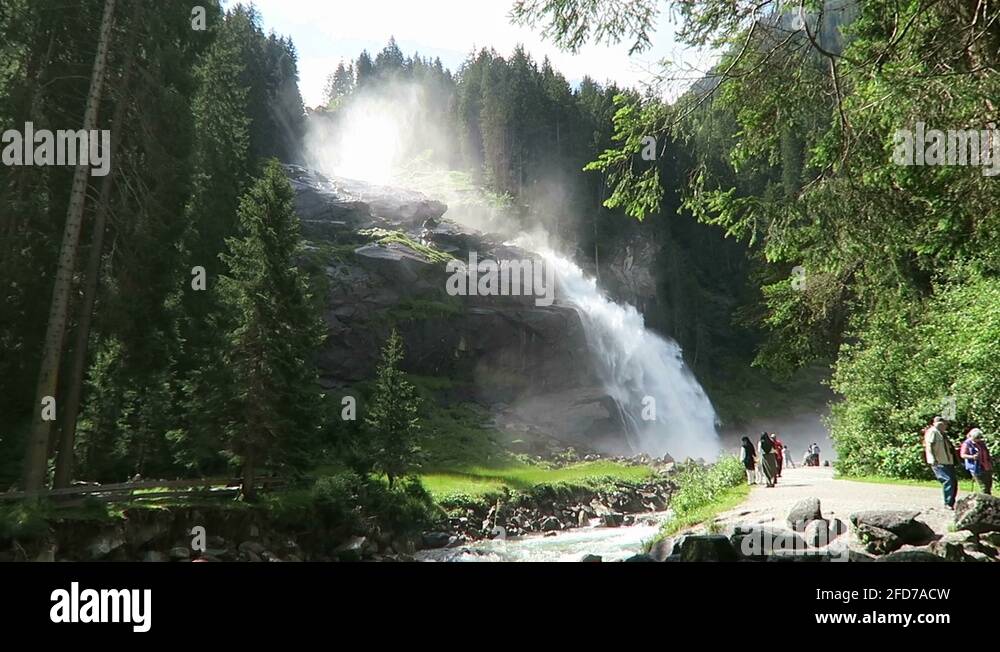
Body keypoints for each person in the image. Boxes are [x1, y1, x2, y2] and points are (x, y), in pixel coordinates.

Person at [924, 416, 958, 509]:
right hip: (939, 462)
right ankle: (947, 503)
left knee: (953, 482)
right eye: (944, 424)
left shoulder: (942, 434)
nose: (946, 426)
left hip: (948, 461)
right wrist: (933, 458)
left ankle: (951, 503)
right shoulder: (932, 432)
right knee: (947, 480)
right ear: (939, 423)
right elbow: (929, 446)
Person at [960, 428, 993, 495]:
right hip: (976, 467)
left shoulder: (981, 443)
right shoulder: (967, 444)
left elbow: (986, 452)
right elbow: (962, 455)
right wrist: (972, 457)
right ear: (971, 436)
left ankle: (988, 500)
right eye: (976, 437)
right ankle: (985, 502)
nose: (978, 439)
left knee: (988, 485)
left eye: (979, 437)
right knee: (983, 486)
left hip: (986, 466)